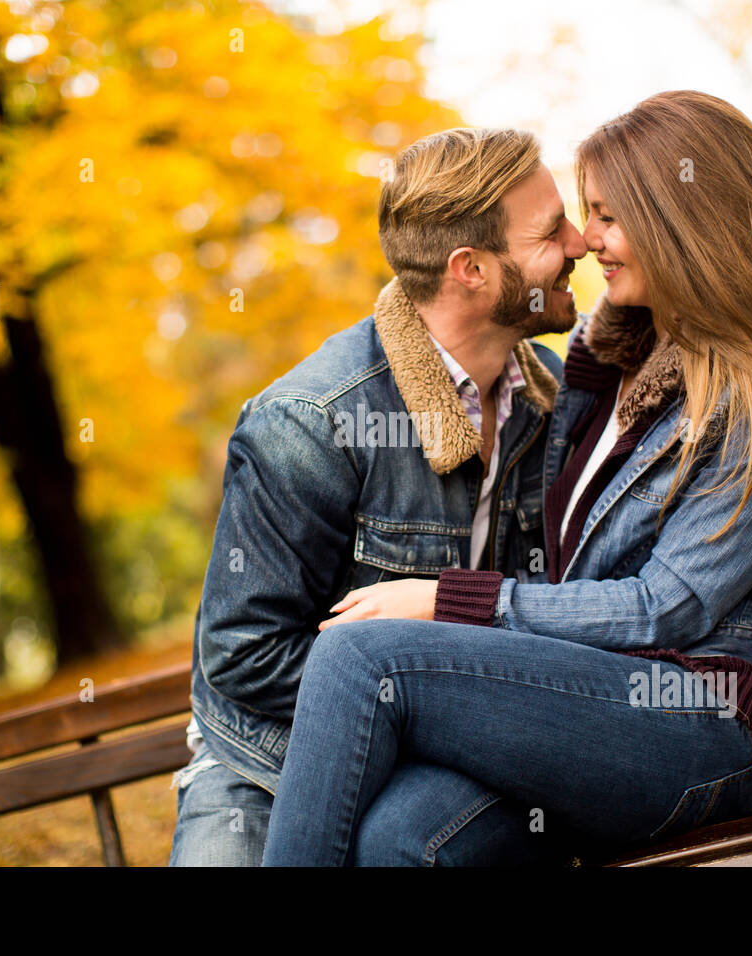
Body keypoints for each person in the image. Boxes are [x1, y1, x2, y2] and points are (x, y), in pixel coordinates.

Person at [260, 90, 752, 867]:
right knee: (400, 842)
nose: (588, 242)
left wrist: (453, 603)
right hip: (582, 705)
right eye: (586, 215)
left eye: (607, 216)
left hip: (693, 725)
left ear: (682, 224)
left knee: (360, 658)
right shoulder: (603, 362)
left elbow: (668, 607)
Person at [170, 127, 589, 865]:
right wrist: (436, 694)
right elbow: (243, 656)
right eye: (552, 230)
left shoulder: (550, 402)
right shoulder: (310, 425)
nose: (580, 241)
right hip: (266, 762)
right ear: (472, 270)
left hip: (455, 754)